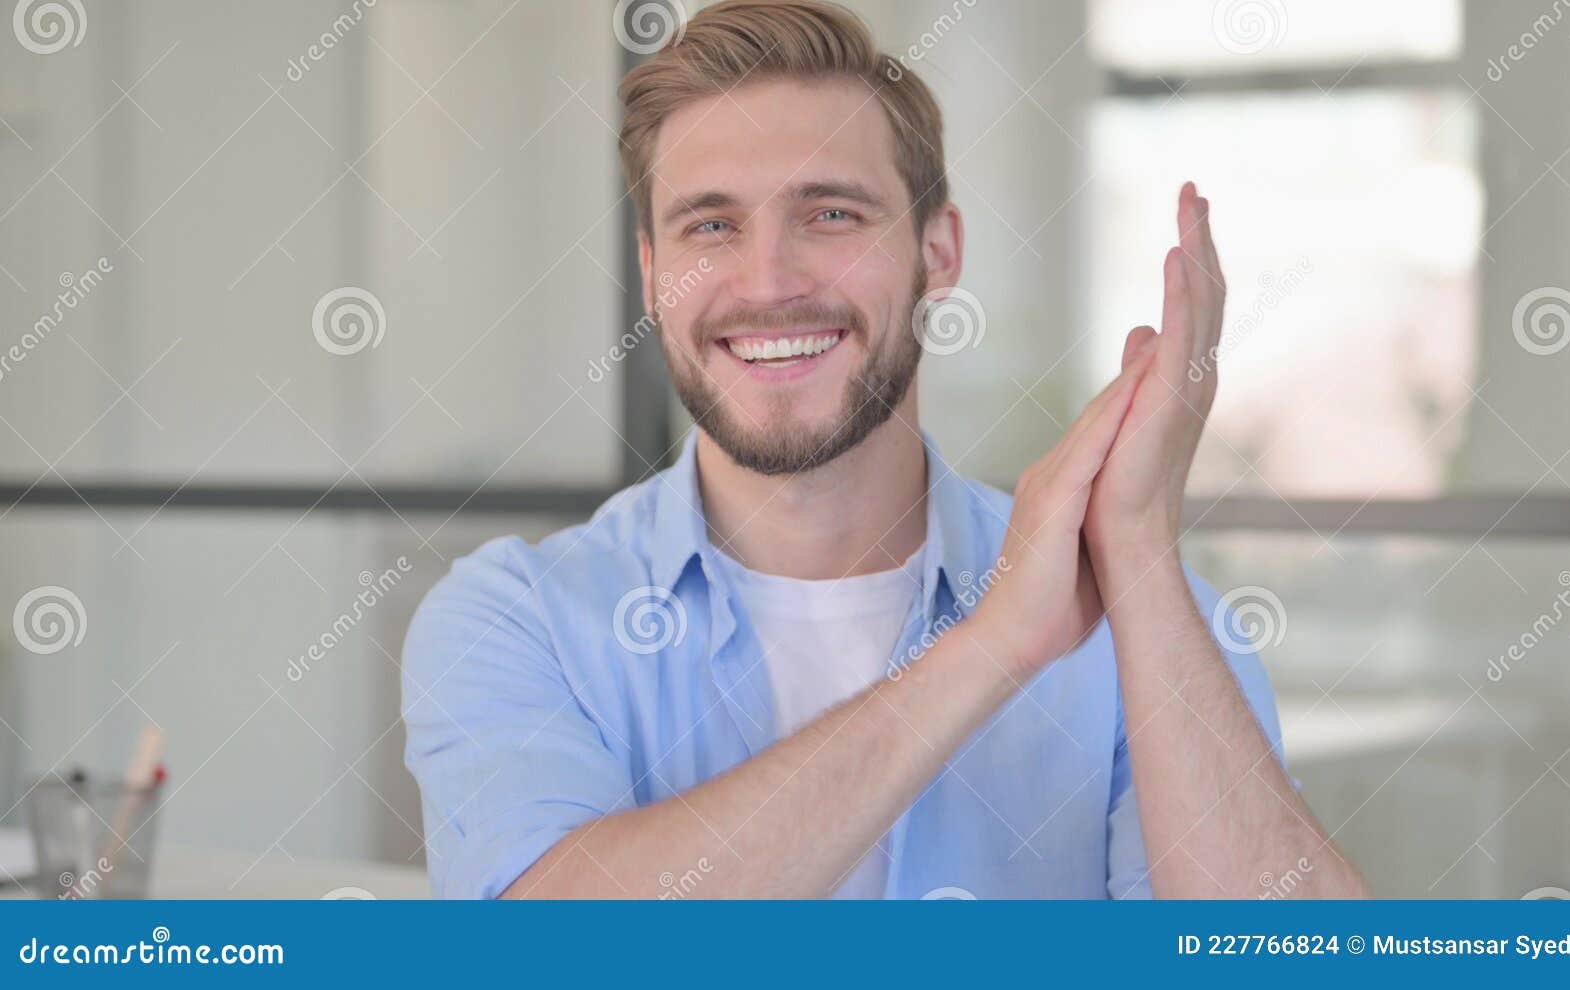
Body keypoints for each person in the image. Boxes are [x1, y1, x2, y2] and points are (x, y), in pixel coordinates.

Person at [401, 0, 1367, 900]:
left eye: (831, 214)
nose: (768, 281)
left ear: (939, 253)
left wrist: (1141, 550)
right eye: (711, 226)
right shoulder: (512, 623)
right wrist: (990, 648)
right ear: (653, 273)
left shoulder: (1143, 619)